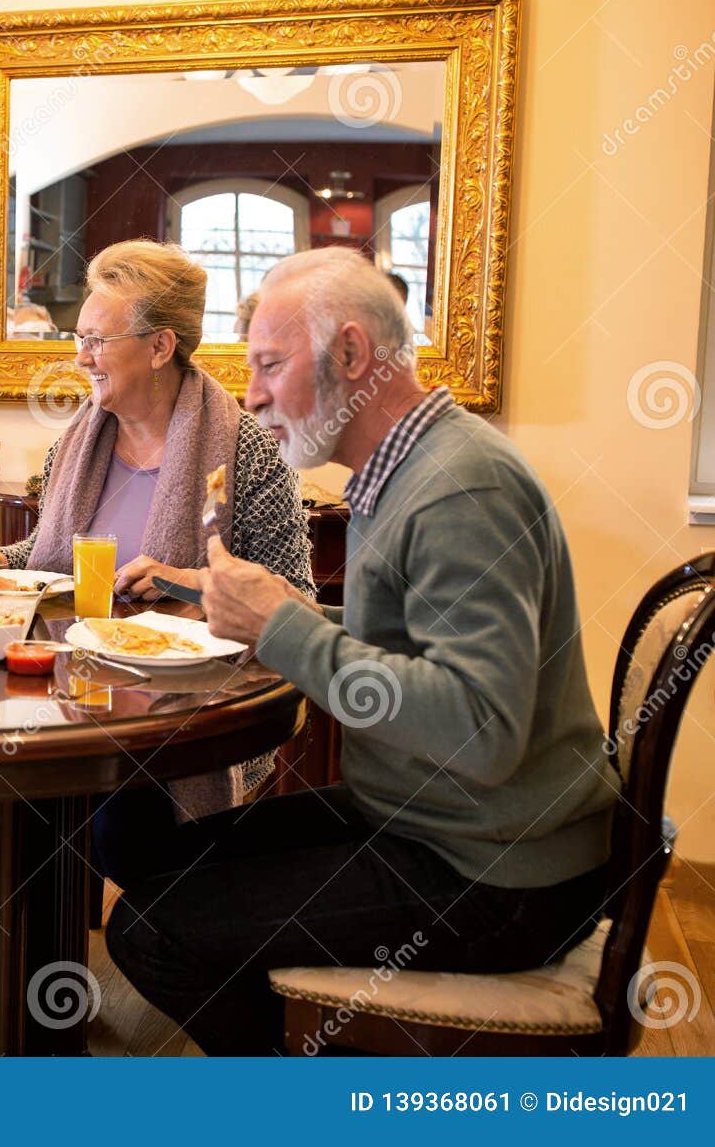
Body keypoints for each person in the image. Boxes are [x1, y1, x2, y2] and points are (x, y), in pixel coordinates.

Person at [105, 246, 618, 1055]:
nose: (253, 394)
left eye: (272, 364)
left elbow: (481, 730)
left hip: (500, 872)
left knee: (149, 930)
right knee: (142, 853)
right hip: (431, 823)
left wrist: (283, 627)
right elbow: (402, 643)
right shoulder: (408, 466)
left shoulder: (459, 486)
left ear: (350, 353)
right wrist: (213, 593)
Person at [0, 240, 313, 878]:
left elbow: (296, 600)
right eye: (78, 337)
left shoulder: (246, 452)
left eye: (96, 340)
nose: (79, 357)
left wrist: (190, 582)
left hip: (180, 715)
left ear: (161, 347)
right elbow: (54, 557)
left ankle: (155, 941)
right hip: (66, 695)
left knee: (123, 829)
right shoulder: (77, 442)